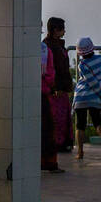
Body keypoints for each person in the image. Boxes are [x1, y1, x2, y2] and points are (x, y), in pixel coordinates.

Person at [72, 37, 101, 159]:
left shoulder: (82, 65)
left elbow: (89, 81)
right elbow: (96, 81)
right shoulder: (100, 60)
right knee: (98, 121)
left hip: (81, 97)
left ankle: (80, 152)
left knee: (80, 125)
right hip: (94, 96)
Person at [44, 17, 73, 155]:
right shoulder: (49, 46)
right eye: (62, 28)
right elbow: (53, 68)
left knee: (63, 115)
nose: (64, 31)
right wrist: (55, 87)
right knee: (57, 117)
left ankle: (63, 142)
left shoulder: (57, 45)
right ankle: (58, 142)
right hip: (55, 88)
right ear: (56, 30)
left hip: (61, 86)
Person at [41, 31, 63, 173]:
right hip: (43, 93)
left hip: (25, 93)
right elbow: (50, 73)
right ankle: (49, 162)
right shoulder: (44, 50)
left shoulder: (20, 47)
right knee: (48, 130)